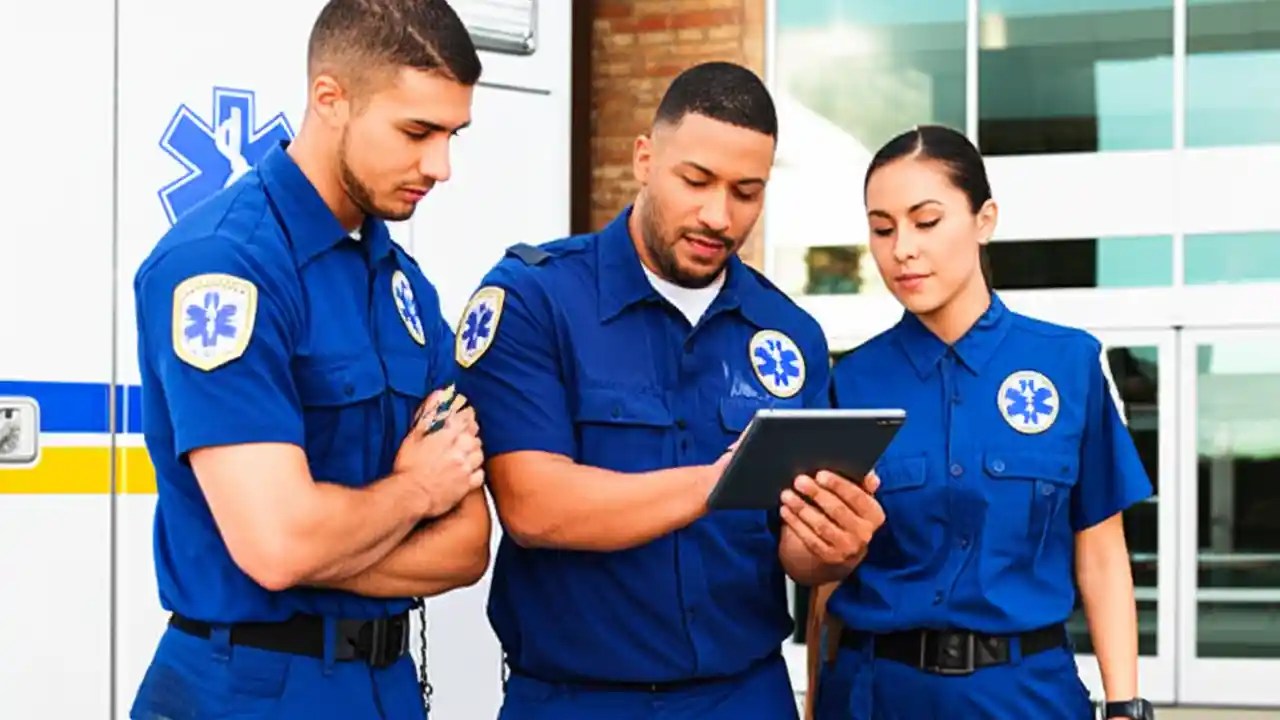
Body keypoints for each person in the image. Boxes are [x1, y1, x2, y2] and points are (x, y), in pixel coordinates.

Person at [454, 61, 886, 720]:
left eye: (746, 191)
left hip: (744, 694)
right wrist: (724, 478)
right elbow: (534, 507)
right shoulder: (536, 300)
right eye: (696, 180)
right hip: (577, 700)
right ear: (645, 159)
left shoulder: (790, 336)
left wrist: (832, 545)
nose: (719, 214)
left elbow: (793, 553)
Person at [128, 2, 492, 717]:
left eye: (453, 134)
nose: (441, 166)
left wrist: (314, 550)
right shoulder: (226, 268)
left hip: (383, 685)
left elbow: (466, 548)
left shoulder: (405, 288)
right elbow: (280, 545)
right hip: (247, 686)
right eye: (417, 131)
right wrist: (415, 492)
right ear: (331, 99)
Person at [811, 124, 1155, 720]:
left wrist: (1124, 705)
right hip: (876, 696)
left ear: (985, 219)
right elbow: (828, 583)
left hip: (1027, 696)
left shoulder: (1067, 364)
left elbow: (1100, 551)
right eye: (882, 228)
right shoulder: (852, 383)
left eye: (926, 221)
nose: (902, 249)